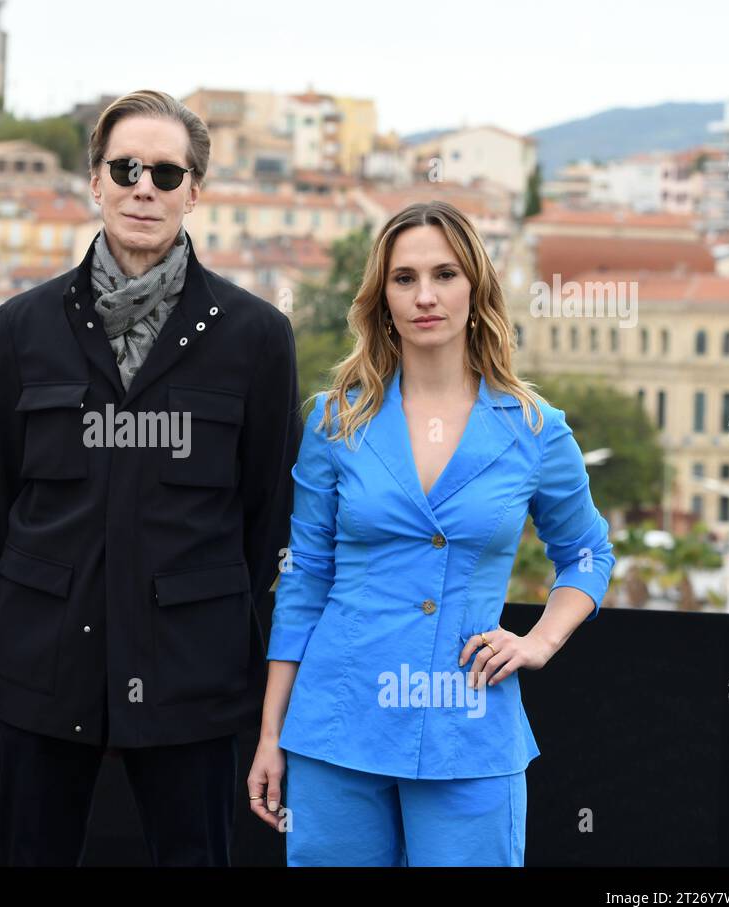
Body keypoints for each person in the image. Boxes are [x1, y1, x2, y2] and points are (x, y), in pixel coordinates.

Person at [0, 90, 300, 866]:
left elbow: (268, 516)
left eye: (166, 171)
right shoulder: (25, 326)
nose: (144, 187)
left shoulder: (256, 336)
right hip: (47, 668)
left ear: (196, 190)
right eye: (125, 168)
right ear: (95, 181)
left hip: (192, 674)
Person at [249, 200, 615, 866]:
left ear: (475, 288)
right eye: (404, 278)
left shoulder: (535, 429)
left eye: (444, 275)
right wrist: (271, 733)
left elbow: (588, 554)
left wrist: (540, 642)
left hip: (469, 730)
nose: (424, 296)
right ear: (380, 297)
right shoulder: (335, 422)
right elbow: (303, 579)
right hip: (337, 726)